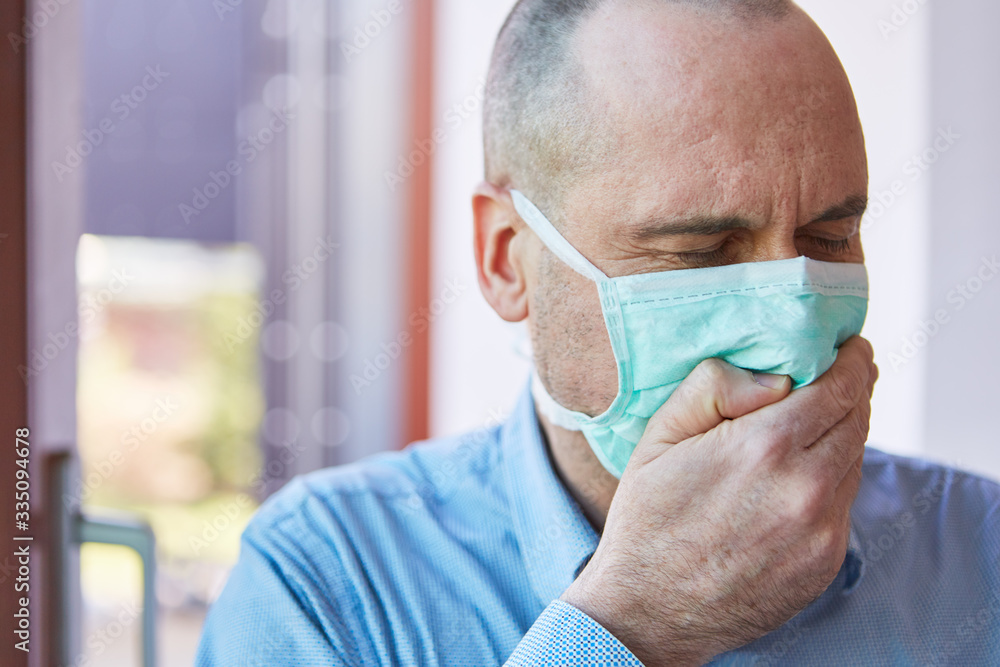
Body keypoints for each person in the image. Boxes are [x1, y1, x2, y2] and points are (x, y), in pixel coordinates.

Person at [196, 1, 1000, 664]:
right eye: (699, 252)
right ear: (507, 259)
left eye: (828, 240)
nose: (790, 333)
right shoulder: (328, 588)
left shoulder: (979, 554)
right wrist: (629, 626)